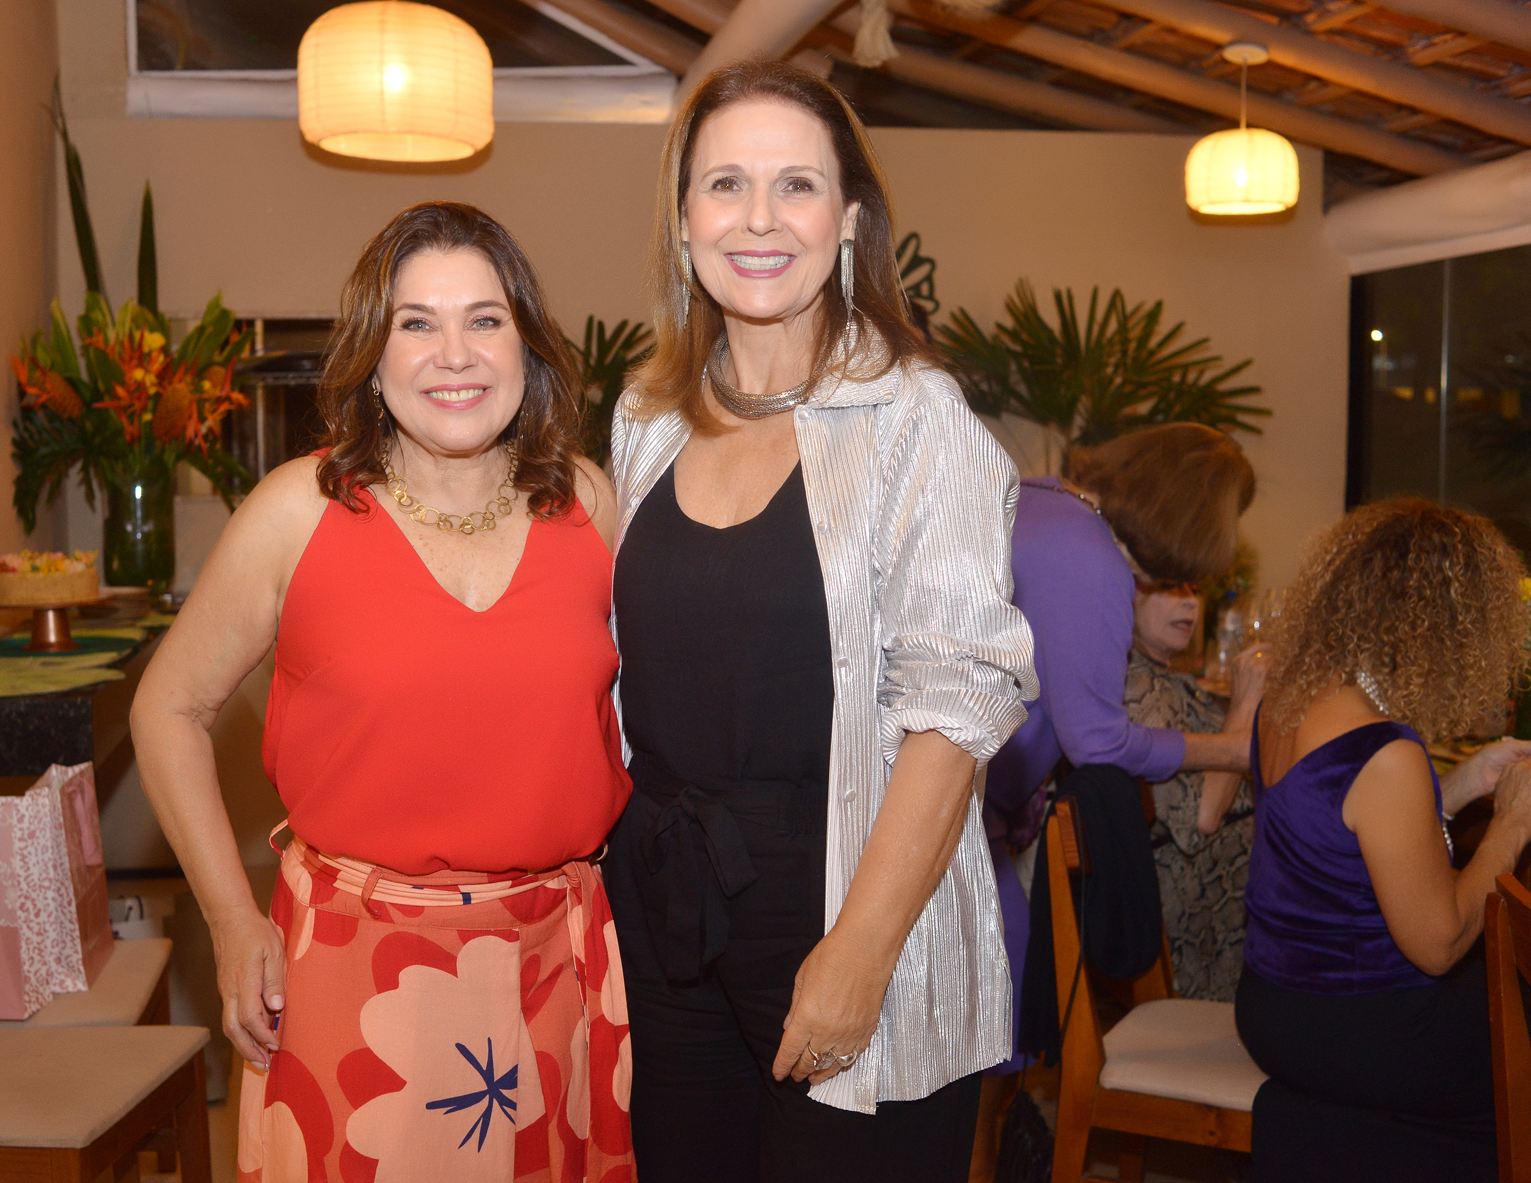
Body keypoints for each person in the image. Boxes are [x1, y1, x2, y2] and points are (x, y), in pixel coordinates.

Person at [130, 202, 634, 1183]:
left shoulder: (589, 505)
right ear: (372, 350)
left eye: (484, 319)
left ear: (527, 345)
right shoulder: (296, 511)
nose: (455, 353)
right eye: (417, 322)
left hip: (556, 970)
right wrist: (234, 924)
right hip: (351, 980)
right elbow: (168, 709)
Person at [603, 60, 1039, 1182]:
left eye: (793, 185)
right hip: (662, 910)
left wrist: (858, 953)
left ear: (845, 220)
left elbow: (955, 712)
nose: (757, 219)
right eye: (724, 185)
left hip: (843, 898)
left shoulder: (915, 421)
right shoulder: (646, 416)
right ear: (683, 217)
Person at [976, 423, 1262, 1175]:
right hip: (959, 815)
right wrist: (1227, 749)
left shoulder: (1041, 500)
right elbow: (1101, 741)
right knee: (988, 1022)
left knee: (990, 1019)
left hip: (972, 806)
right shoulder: (1090, 556)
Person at [1236, 498, 1531, 1182]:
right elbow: (1438, 942)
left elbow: (1337, 828)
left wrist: (1462, 783)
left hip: (1273, 1003)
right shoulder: (1383, 749)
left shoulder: (1294, 695)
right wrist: (1512, 825)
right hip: (1356, 1025)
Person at [1124, 578, 1257, 1002]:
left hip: (1240, 903)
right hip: (1208, 923)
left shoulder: (1166, 676)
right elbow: (1201, 816)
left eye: (1195, 590)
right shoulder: (1132, 683)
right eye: (1170, 587)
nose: (1189, 603)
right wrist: (1246, 704)